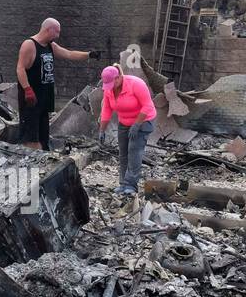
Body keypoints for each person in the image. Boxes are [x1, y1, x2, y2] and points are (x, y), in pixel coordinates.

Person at [15, 17, 100, 151]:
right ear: (48, 30)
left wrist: (89, 55)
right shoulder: (29, 44)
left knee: (43, 134)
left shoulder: (51, 46)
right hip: (31, 99)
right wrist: (27, 89)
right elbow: (20, 68)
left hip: (44, 98)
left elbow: (69, 54)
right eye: (57, 32)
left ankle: (43, 160)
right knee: (31, 136)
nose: (58, 36)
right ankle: (31, 160)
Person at [97, 64, 156, 195]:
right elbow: (106, 109)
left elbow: (147, 106)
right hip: (124, 122)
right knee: (123, 152)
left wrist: (137, 125)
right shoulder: (109, 90)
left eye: (111, 84)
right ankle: (123, 183)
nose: (109, 88)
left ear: (118, 78)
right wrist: (102, 130)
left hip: (143, 120)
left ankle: (131, 185)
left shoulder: (136, 84)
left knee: (134, 151)